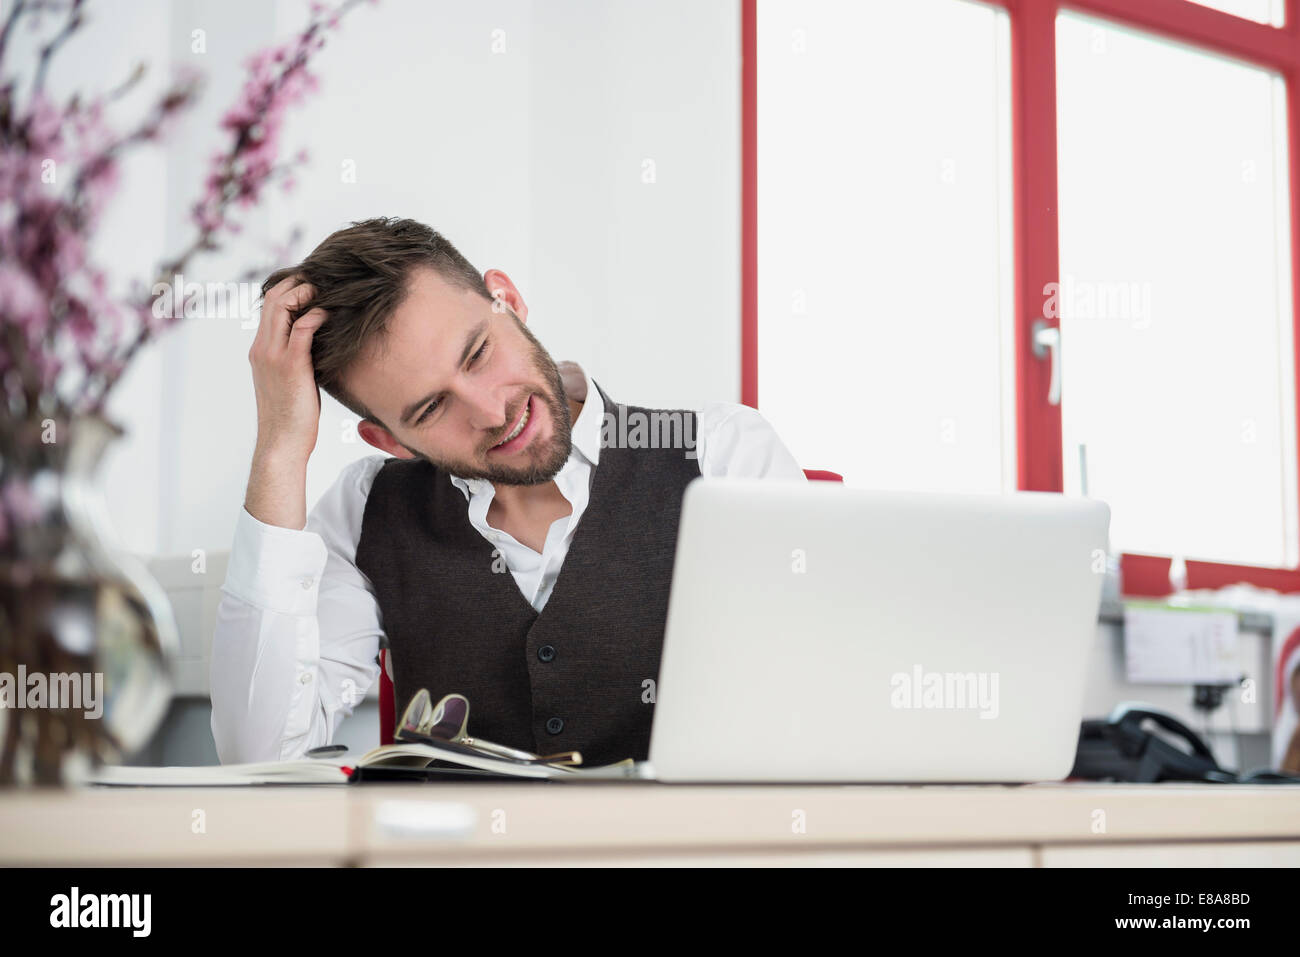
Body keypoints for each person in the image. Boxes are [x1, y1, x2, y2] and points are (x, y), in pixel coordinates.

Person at [210, 217, 806, 766]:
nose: (493, 411)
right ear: (391, 441)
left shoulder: (721, 455)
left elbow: (812, 715)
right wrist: (282, 447)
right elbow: (261, 758)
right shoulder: (364, 509)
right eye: (433, 407)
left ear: (510, 302)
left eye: (478, 352)